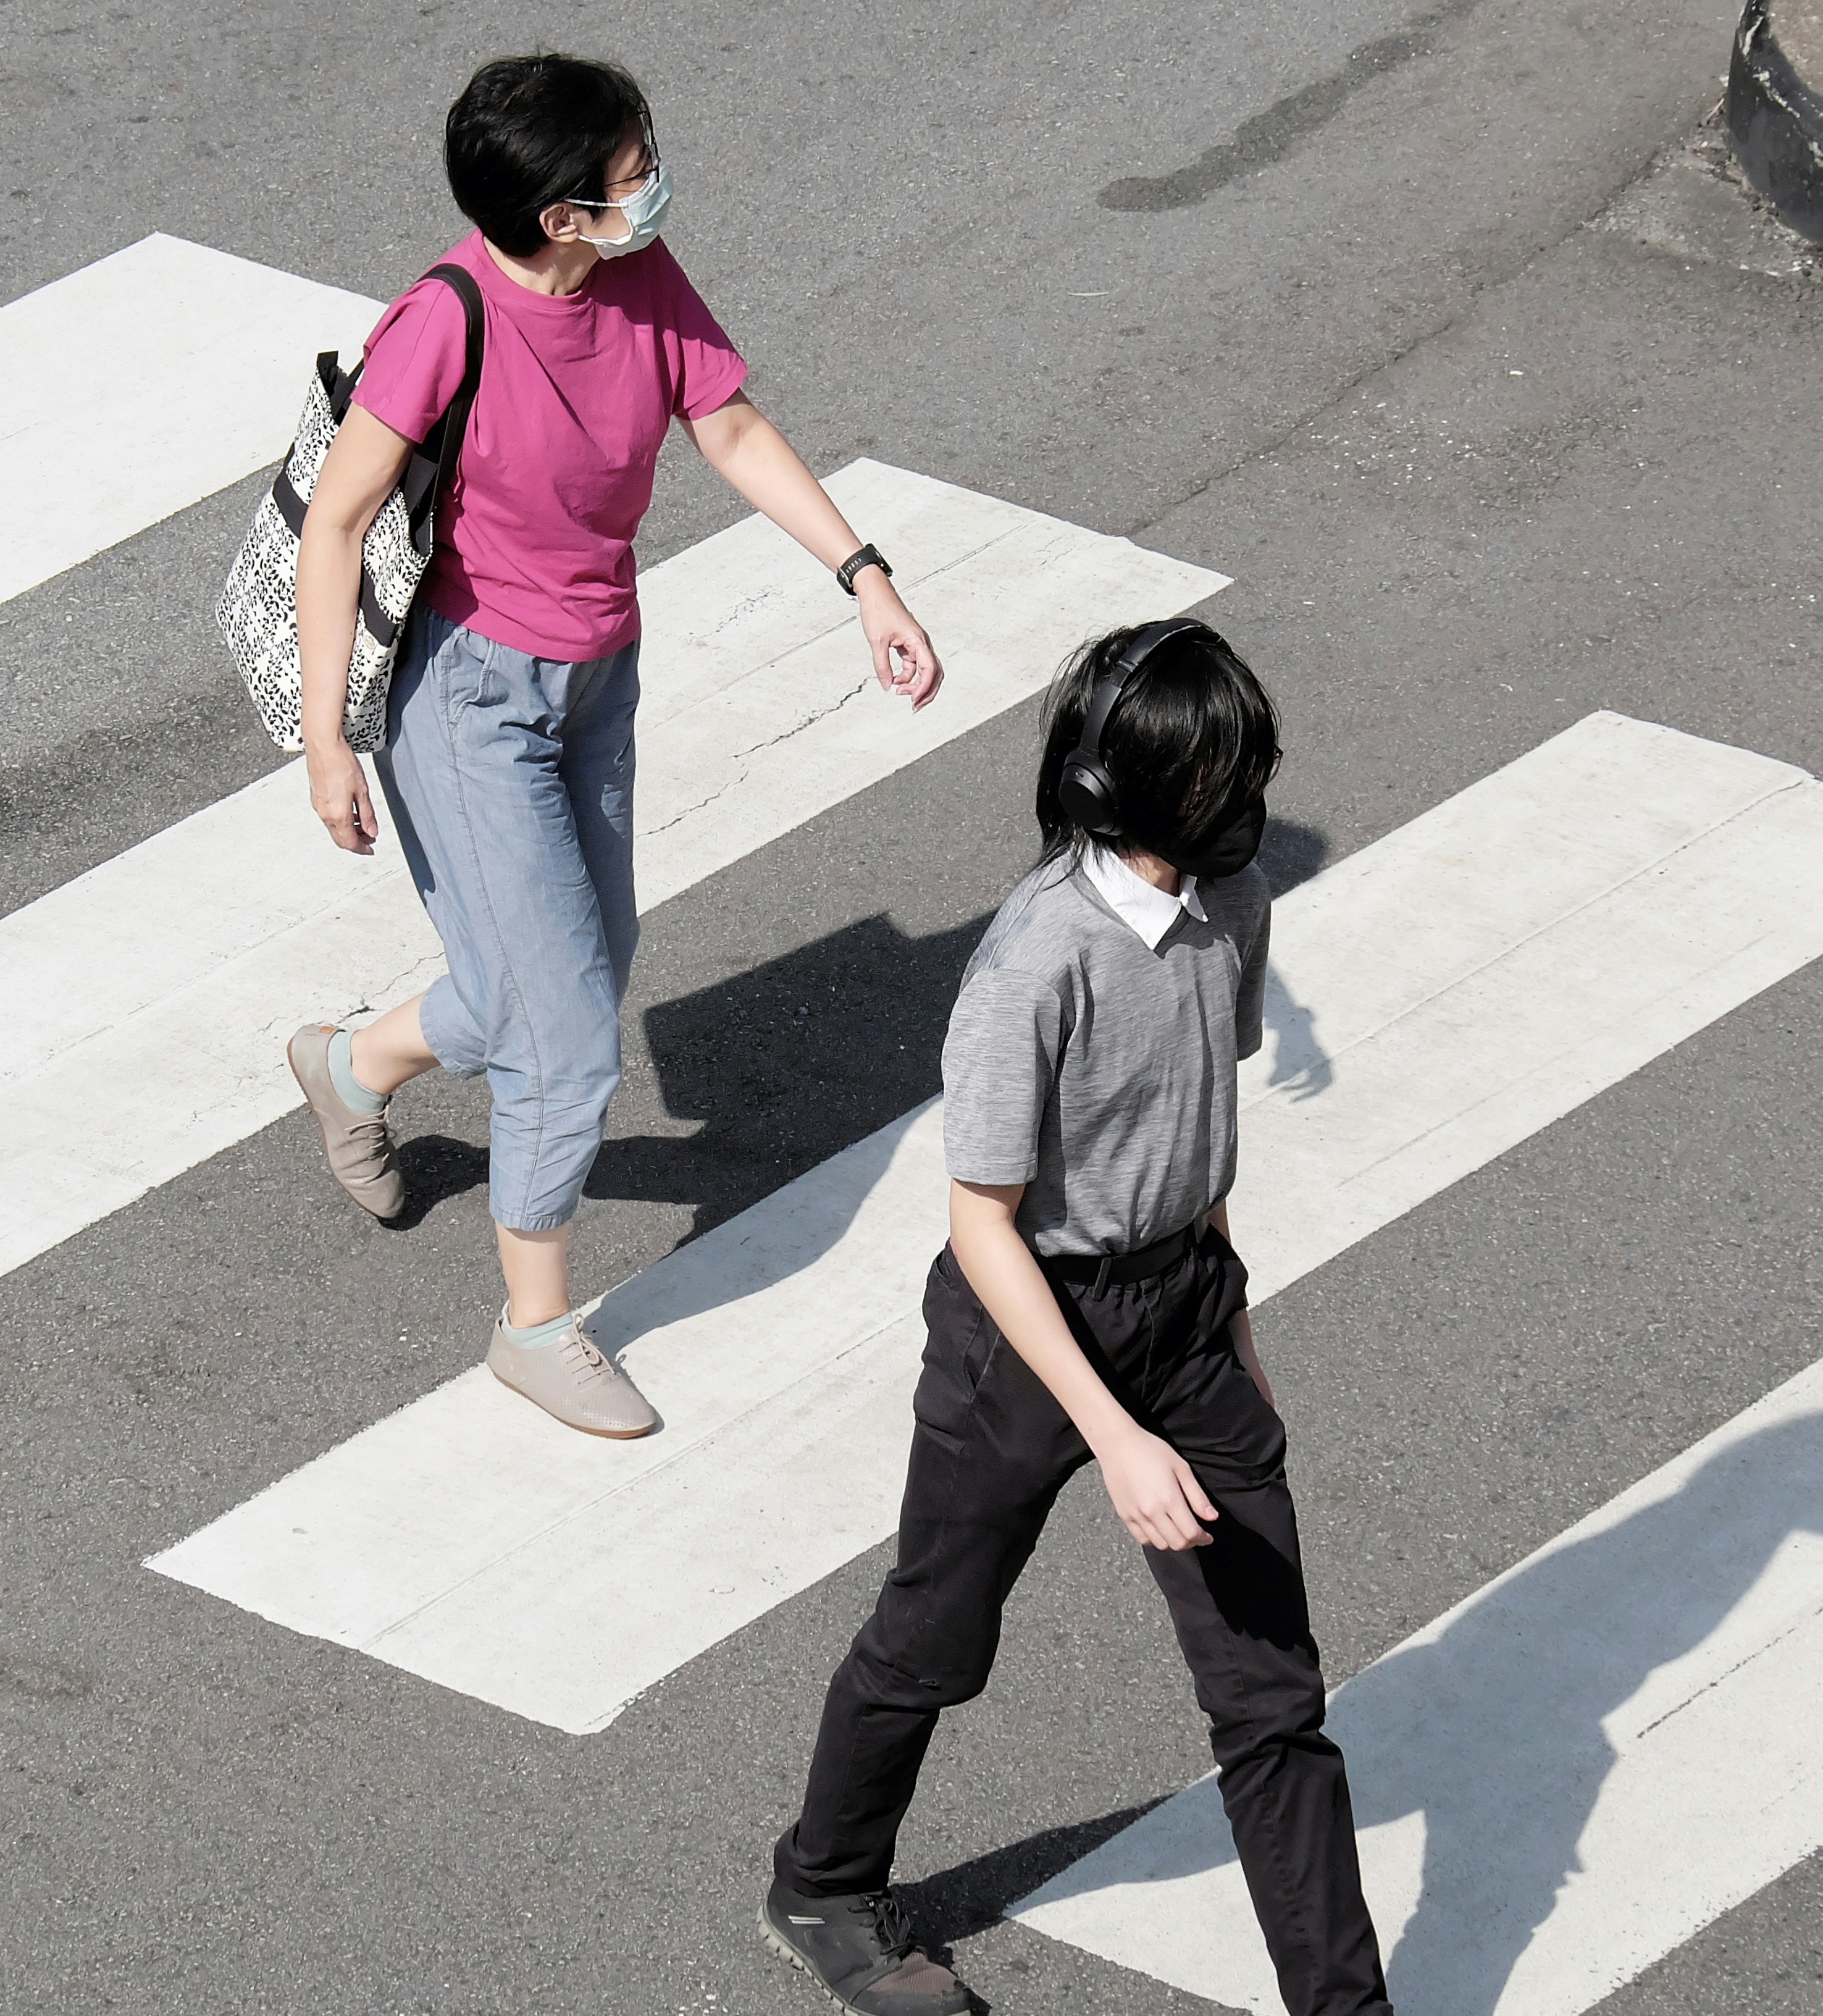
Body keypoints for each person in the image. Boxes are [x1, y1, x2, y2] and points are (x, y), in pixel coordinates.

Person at [283, 54, 945, 1437]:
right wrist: (329, 741)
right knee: (569, 1030)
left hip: (597, 677)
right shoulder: (444, 323)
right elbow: (337, 525)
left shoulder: (638, 278)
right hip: (467, 699)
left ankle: (352, 1068)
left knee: (574, 964)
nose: (655, 185)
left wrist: (864, 576)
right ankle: (535, 1327)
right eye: (633, 171)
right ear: (562, 213)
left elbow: (733, 424)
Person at [759, 621, 1394, 2016]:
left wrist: (1234, 1339)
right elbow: (981, 1224)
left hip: (1184, 1310)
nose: (1253, 803)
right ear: (1146, 791)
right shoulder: (1030, 969)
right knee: (937, 1634)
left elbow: (1193, 1129)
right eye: (1228, 777)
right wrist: (1115, 1436)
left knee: (1274, 1706)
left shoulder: (1234, 903)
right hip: (1028, 1335)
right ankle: (823, 1881)